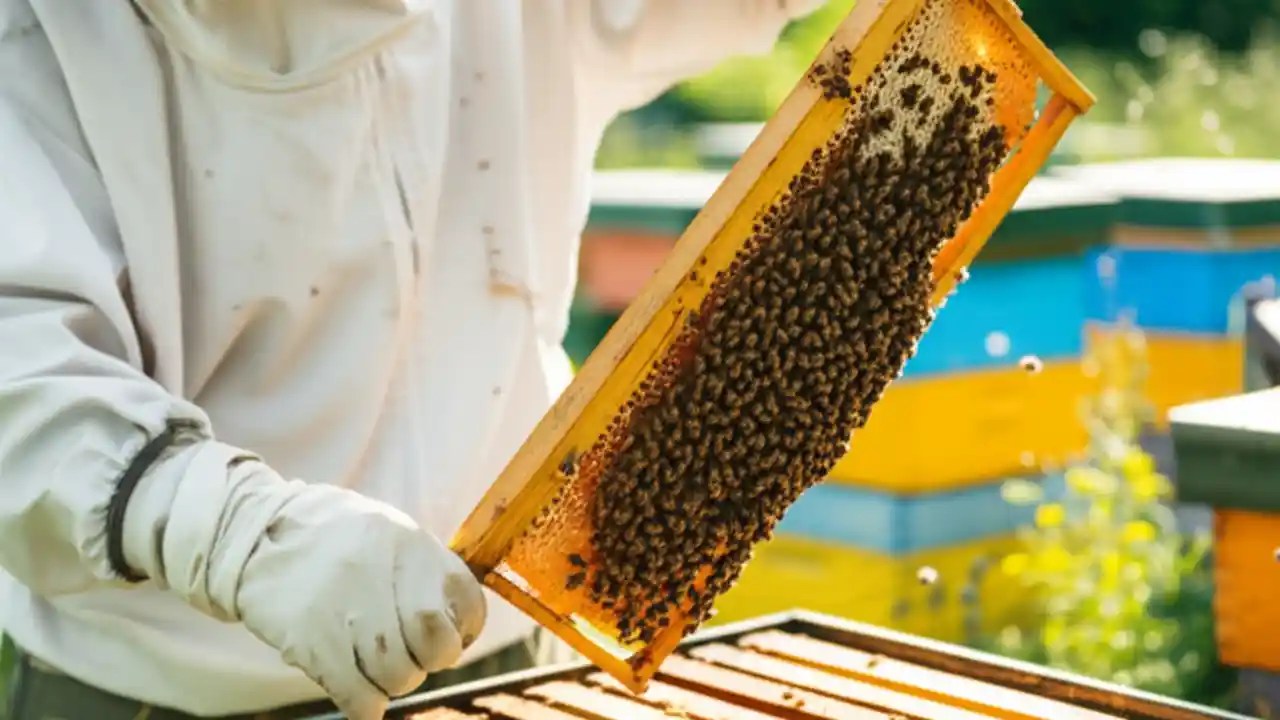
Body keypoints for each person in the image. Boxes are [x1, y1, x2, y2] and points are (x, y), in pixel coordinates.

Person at [0, 1, 823, 718]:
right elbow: (21, 374)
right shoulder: (43, 33)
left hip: (518, 645)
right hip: (173, 692)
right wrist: (240, 536)